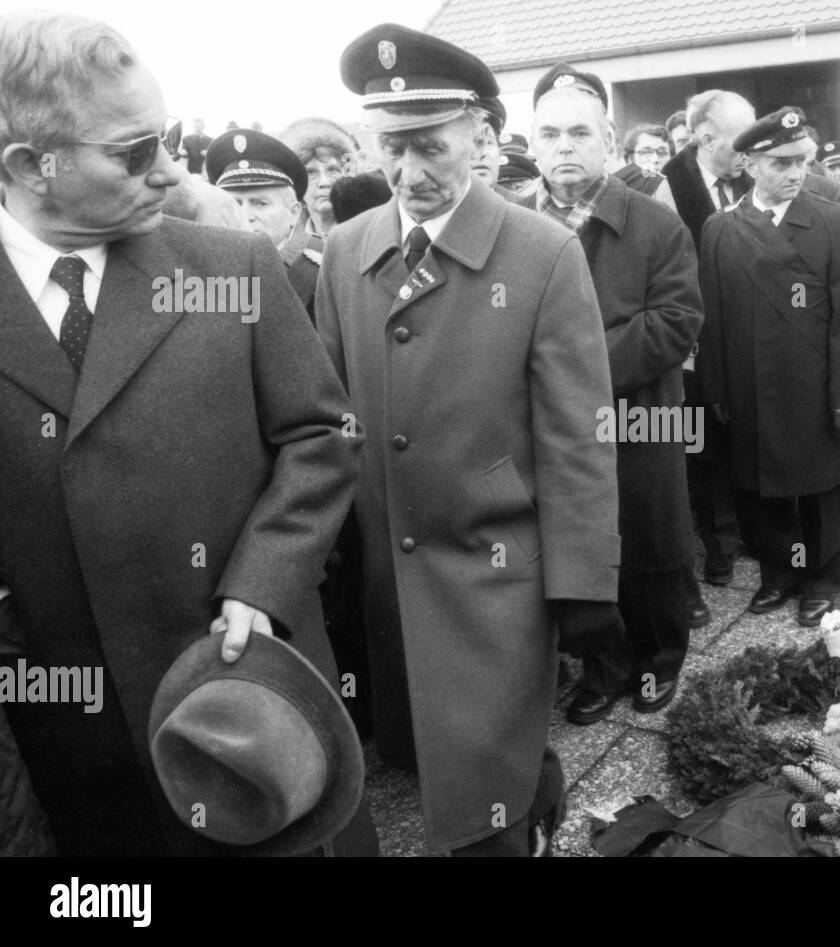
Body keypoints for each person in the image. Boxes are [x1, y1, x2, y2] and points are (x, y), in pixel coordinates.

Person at [0, 11, 373, 856]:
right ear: (32, 166)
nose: (170, 171)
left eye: (165, 140)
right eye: (134, 152)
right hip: (88, 756)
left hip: (262, 711)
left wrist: (264, 580)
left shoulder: (229, 268)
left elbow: (325, 431)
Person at [317, 24, 622, 857]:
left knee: (486, 812)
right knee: (429, 758)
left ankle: (522, 808)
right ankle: (535, 778)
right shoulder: (346, 252)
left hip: (498, 580)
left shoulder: (543, 254)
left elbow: (579, 439)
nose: (410, 173)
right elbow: (332, 417)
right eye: (391, 148)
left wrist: (584, 585)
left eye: (431, 147)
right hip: (392, 582)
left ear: (482, 137)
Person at [519, 79, 703, 726]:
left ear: (607, 141)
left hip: (639, 416)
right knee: (582, 548)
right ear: (532, 143)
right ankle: (606, 665)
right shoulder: (514, 224)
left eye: (579, 133)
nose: (564, 146)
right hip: (553, 429)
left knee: (650, 541)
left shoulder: (654, 223)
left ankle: (660, 657)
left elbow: (678, 321)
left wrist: (573, 366)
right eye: (549, 133)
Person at [697, 106, 840, 628]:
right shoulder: (719, 229)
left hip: (815, 387)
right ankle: (780, 573)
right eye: (781, 163)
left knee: (820, 489)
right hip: (749, 384)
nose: (797, 173)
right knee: (760, 487)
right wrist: (717, 389)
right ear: (750, 164)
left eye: (804, 161)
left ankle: (821, 579)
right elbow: (714, 317)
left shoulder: (836, 223)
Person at [662, 89, 757, 607]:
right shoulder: (666, 185)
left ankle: (742, 530)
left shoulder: (748, 181)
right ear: (705, 138)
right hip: (693, 343)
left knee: (740, 433)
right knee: (703, 444)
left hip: (743, 338)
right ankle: (718, 542)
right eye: (740, 141)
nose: (749, 151)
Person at [205, 128, 315, 311]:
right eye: (235, 203)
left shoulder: (321, 266)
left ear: (294, 213)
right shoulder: (208, 267)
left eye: (260, 203)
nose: (246, 215)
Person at [279, 117, 361, 243]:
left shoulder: (366, 232)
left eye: (333, 170)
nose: (324, 183)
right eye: (311, 172)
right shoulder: (284, 242)